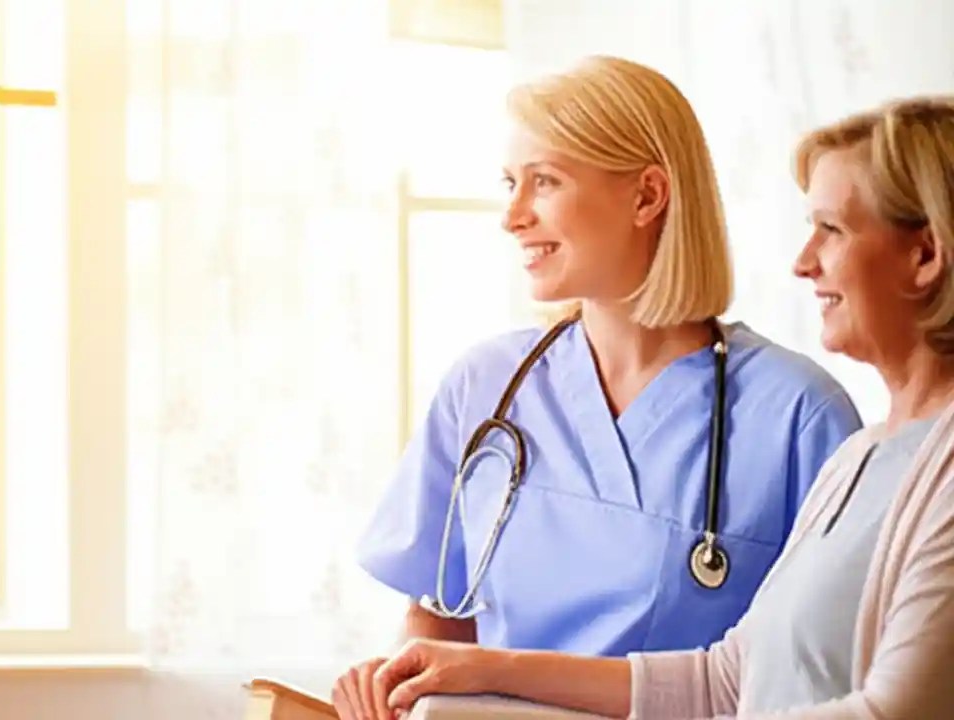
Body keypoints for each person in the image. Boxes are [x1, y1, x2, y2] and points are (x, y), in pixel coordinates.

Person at [364, 96, 954, 719]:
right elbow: (725, 680)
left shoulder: (808, 416)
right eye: (511, 182)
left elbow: (892, 712)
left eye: (830, 229)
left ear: (925, 255)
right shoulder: (865, 455)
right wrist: (483, 668)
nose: (802, 262)